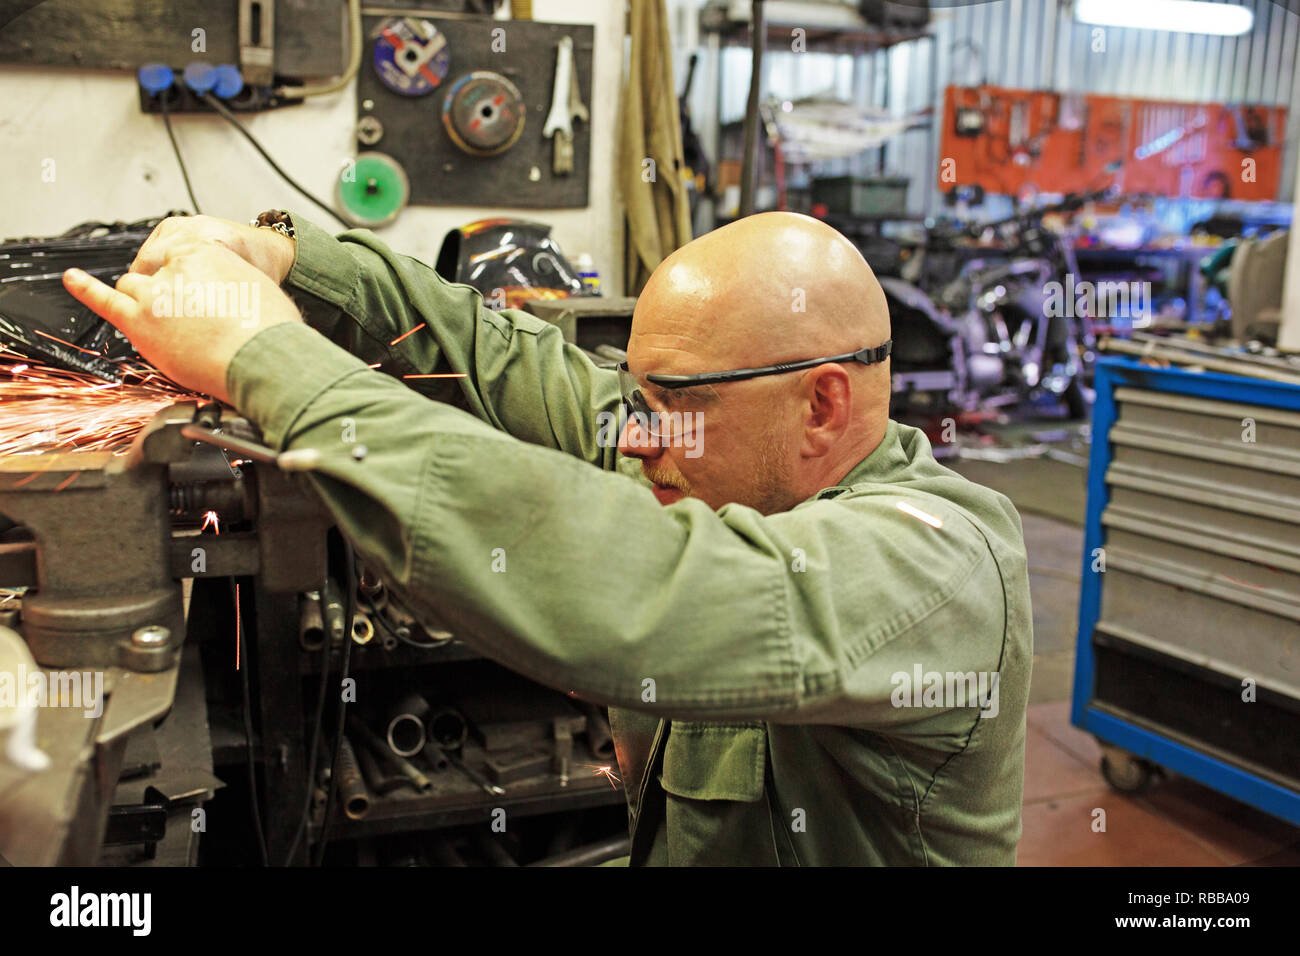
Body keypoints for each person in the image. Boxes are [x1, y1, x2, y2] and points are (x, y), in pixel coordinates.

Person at [63, 210, 1033, 865]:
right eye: (636, 392)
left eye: (676, 401)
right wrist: (280, 254)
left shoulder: (935, 564)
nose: (636, 429)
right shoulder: (682, 438)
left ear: (821, 403)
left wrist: (261, 356)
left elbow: (658, 591)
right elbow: (489, 348)